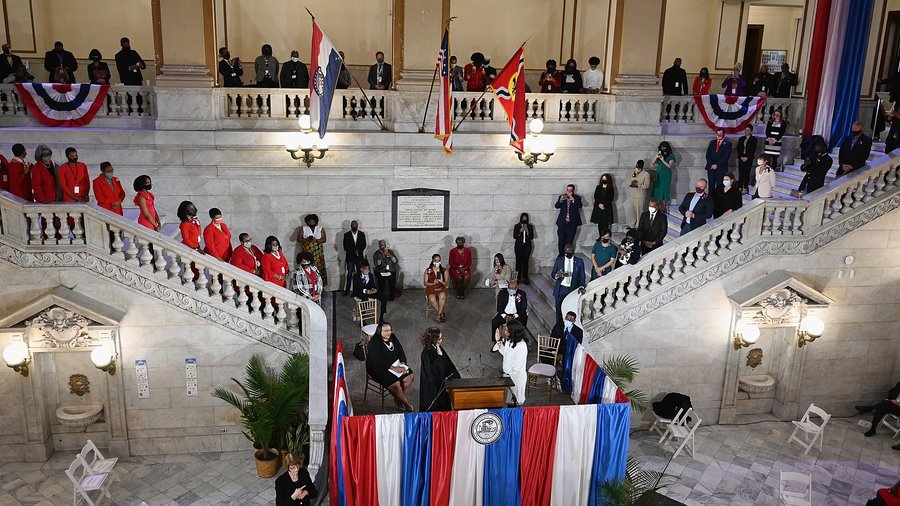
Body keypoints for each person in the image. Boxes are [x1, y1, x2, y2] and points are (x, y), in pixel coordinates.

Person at [366, 323, 415, 412]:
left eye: (390, 330)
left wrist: (403, 363)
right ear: (379, 331)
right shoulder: (373, 343)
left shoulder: (393, 337)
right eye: (386, 331)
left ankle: (398, 399)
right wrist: (394, 368)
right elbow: (377, 361)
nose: (389, 333)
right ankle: (406, 404)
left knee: (410, 377)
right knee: (396, 385)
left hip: (395, 363)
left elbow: (400, 349)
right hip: (378, 368)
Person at [419, 327, 460, 412]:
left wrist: (455, 375)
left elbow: (447, 364)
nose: (441, 340)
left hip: (441, 383)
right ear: (434, 340)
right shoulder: (426, 353)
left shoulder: (437, 347)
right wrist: (439, 357)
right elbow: (433, 372)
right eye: (439, 339)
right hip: (433, 388)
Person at [492, 320, 528, 406]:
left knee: (515, 402)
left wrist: (507, 373)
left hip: (516, 378)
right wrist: (498, 341)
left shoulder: (521, 346)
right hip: (508, 377)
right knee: (508, 402)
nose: (505, 332)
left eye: (507, 331)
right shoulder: (510, 341)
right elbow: (506, 353)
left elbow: (517, 366)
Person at [551, 244, 586, 324]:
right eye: (566, 252)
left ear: (573, 251)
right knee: (559, 311)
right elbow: (553, 274)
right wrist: (557, 275)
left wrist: (581, 286)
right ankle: (559, 327)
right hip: (561, 289)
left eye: (569, 251)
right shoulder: (559, 260)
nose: (567, 253)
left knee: (570, 310)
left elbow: (582, 276)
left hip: (572, 289)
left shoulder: (579, 261)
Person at [554, 184, 583, 256]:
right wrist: (561, 200)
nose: (569, 191)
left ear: (573, 190)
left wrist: (573, 200)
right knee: (561, 240)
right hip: (562, 223)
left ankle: (568, 255)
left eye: (570, 190)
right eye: (567, 190)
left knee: (569, 241)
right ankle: (561, 255)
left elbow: (580, 205)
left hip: (572, 224)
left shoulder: (577, 198)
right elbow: (556, 206)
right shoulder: (562, 196)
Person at [300, 214, 327, 286]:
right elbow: (299, 239)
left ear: (316, 222)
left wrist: (317, 240)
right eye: (310, 222)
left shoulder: (320, 228)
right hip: (307, 251)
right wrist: (306, 239)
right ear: (307, 222)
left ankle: (320, 285)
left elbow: (324, 239)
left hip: (318, 252)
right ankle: (308, 285)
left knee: (319, 268)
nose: (311, 223)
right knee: (308, 267)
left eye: (313, 222)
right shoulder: (303, 228)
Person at [342, 220, 367, 296]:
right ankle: (347, 290)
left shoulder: (362, 234)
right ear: (350, 226)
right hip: (350, 257)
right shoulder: (346, 235)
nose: (354, 227)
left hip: (359, 257)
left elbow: (364, 244)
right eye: (353, 225)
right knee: (349, 274)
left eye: (355, 225)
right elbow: (345, 246)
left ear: (357, 226)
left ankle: (359, 290)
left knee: (360, 274)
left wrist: (358, 250)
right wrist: (353, 251)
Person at [652, 142, 676, 213]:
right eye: (662, 147)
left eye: (664, 147)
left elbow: (669, 166)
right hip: (658, 175)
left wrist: (662, 160)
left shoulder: (671, 155)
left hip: (666, 175)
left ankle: (664, 207)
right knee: (658, 190)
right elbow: (653, 163)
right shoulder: (659, 154)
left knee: (665, 191)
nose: (663, 149)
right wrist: (656, 157)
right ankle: (658, 207)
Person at [424, 254, 448, 322]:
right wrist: (433, 283)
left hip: (441, 287)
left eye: (439, 260)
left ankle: (438, 315)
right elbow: (425, 283)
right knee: (432, 299)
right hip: (431, 288)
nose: (437, 262)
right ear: (432, 261)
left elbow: (446, 283)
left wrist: (441, 281)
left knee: (442, 296)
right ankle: (441, 313)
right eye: (435, 260)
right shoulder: (428, 270)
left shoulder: (444, 270)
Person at [628, 160, 651, 228]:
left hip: (640, 195)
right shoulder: (634, 172)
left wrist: (638, 185)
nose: (637, 168)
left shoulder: (646, 174)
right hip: (633, 194)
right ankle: (632, 224)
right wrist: (631, 183)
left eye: (639, 166)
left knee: (639, 211)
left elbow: (647, 185)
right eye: (637, 166)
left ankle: (639, 225)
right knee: (633, 210)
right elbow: (630, 180)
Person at [512, 213, 534, 285]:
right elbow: (514, 236)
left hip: (527, 246)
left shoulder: (530, 226)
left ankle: (525, 277)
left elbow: (532, 237)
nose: (524, 220)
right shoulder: (517, 226)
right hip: (519, 246)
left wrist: (527, 232)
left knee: (526, 262)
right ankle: (517, 278)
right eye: (523, 218)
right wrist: (520, 231)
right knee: (518, 262)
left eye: (525, 218)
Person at [736, 125, 758, 194]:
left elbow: (753, 150)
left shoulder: (754, 139)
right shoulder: (741, 138)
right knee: (741, 172)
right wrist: (741, 156)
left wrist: (747, 157)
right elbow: (738, 148)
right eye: (746, 129)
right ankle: (740, 187)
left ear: (751, 131)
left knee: (747, 173)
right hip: (741, 157)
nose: (747, 131)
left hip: (749, 158)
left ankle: (745, 187)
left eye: (748, 130)